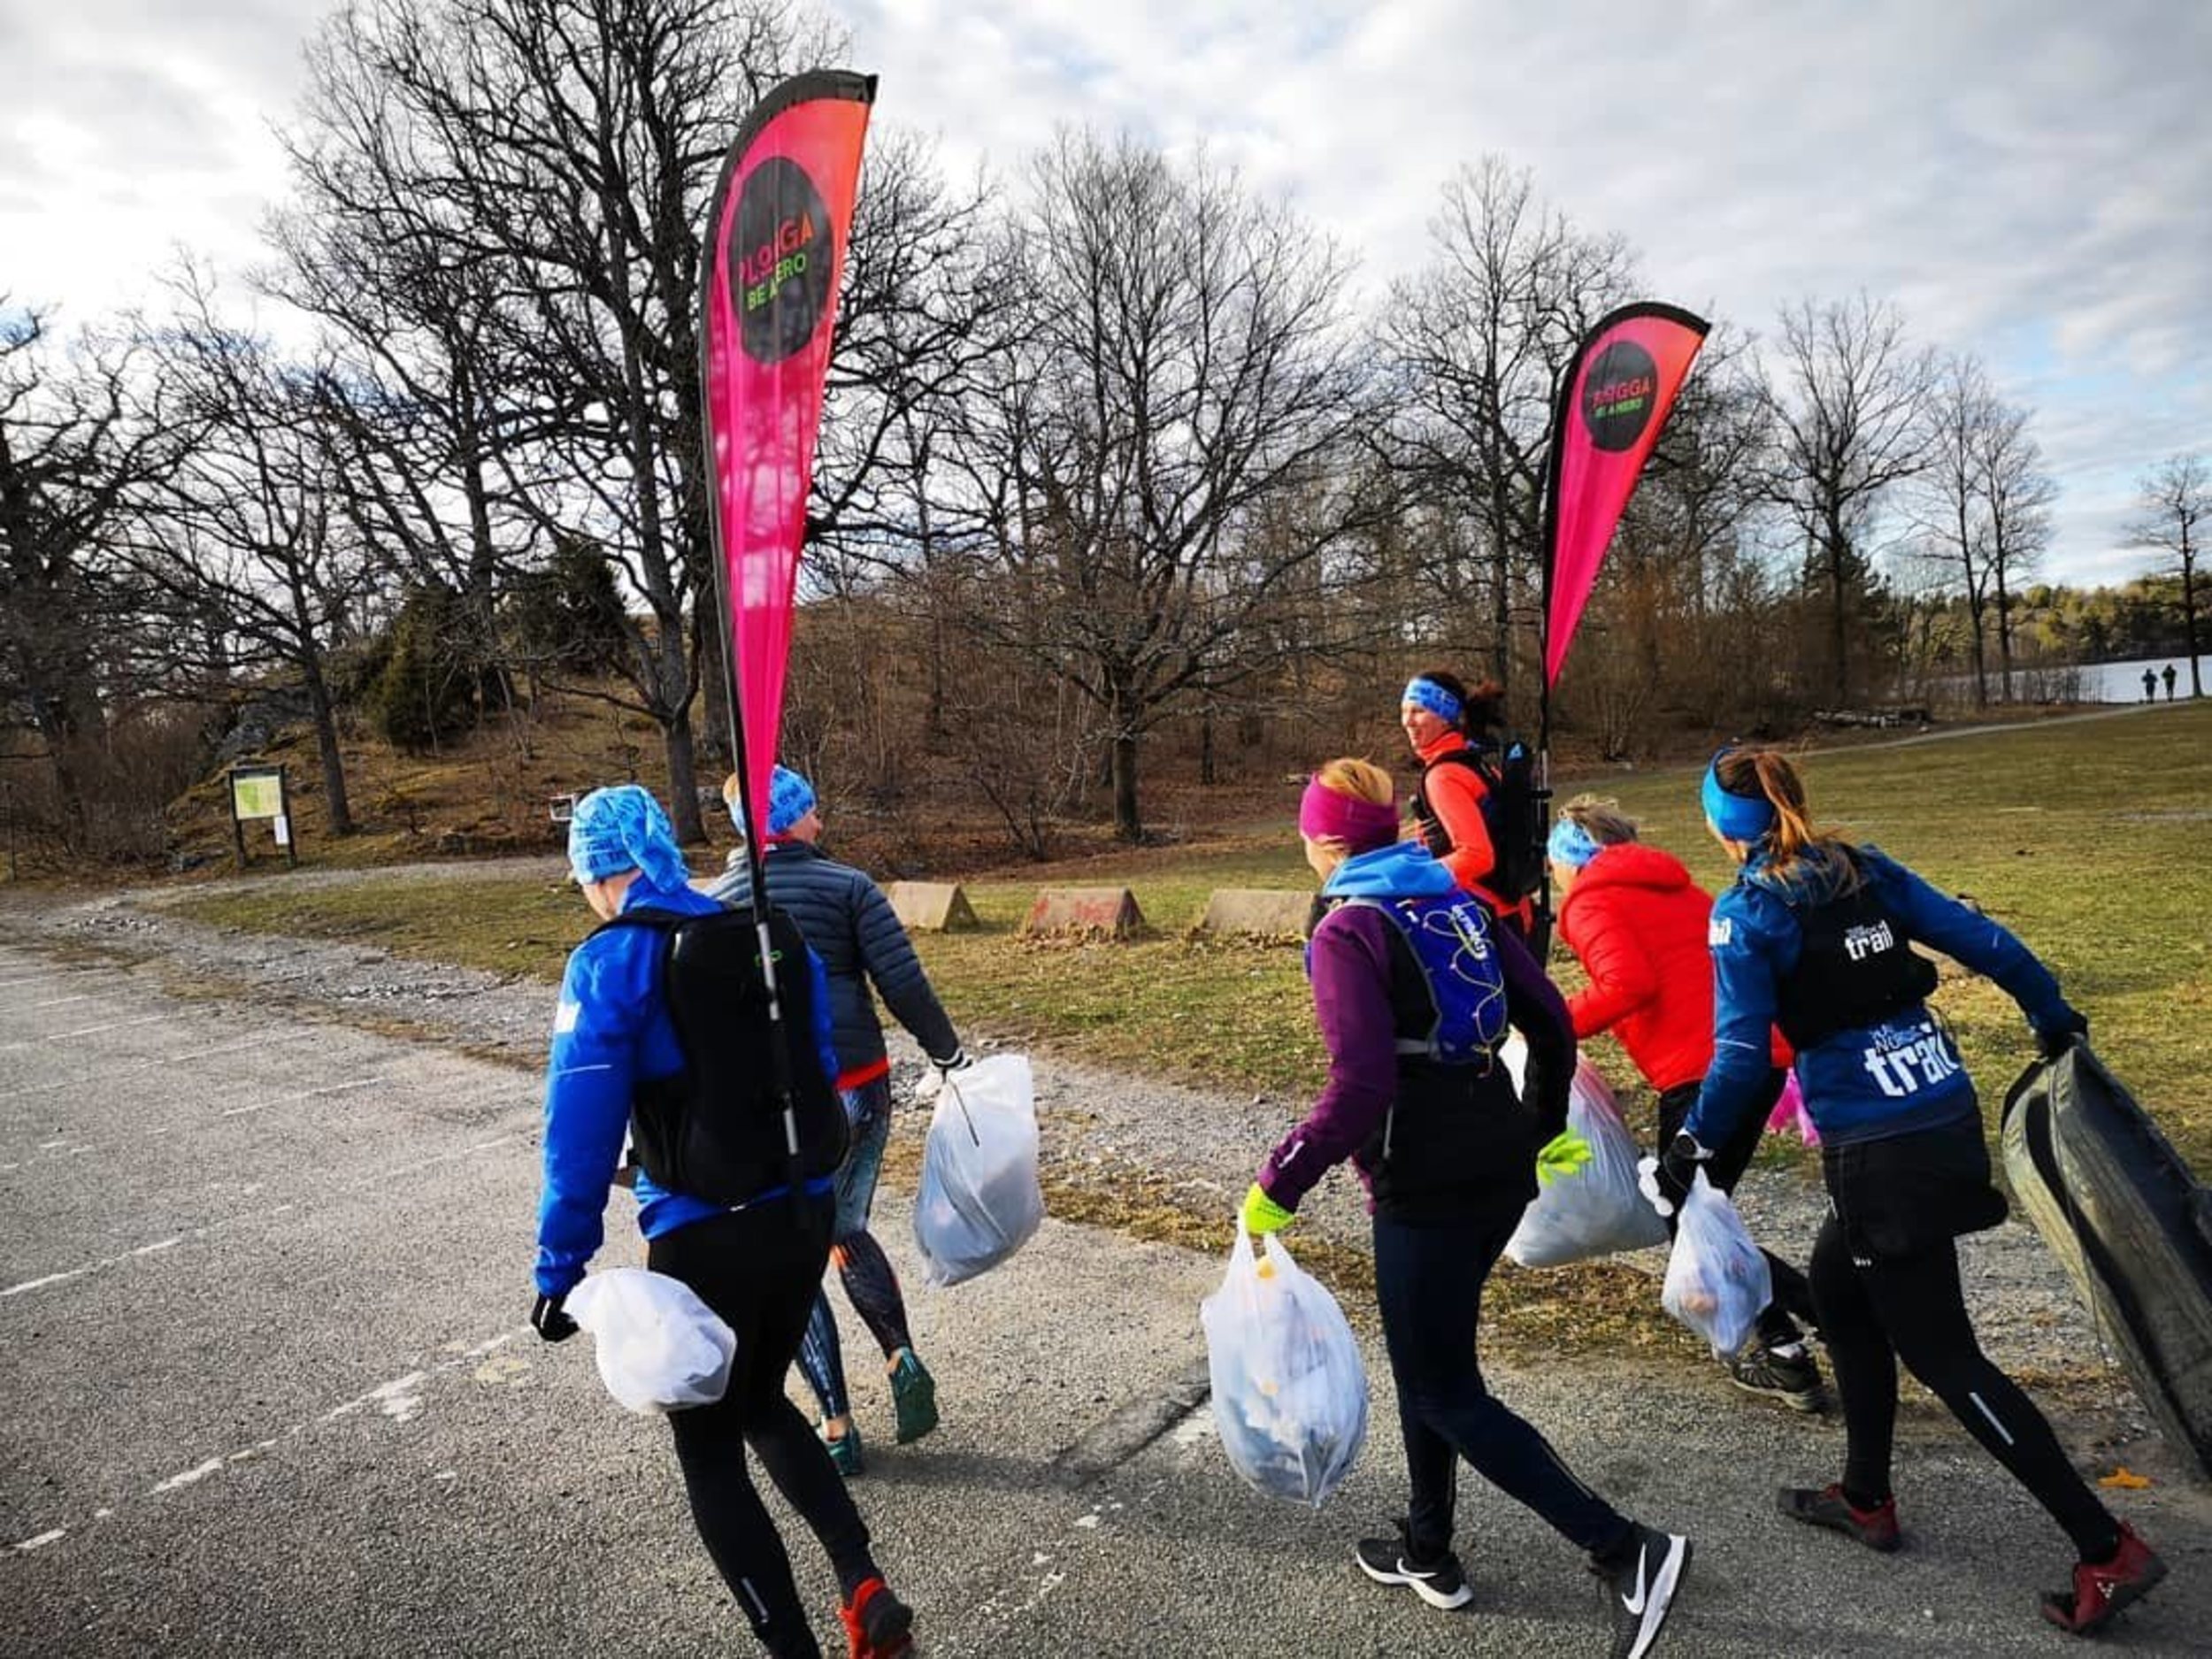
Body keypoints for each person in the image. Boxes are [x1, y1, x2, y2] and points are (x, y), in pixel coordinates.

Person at [1652, 748, 2165, 1637]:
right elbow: (1988, 944)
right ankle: (1865, 1496)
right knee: (1843, 1301)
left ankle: (2103, 1547)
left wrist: (1691, 1142)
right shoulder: (1865, 867)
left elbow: (1738, 1056)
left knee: (1945, 1354)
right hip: (1936, 1106)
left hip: (1877, 1149)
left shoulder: (1746, 915)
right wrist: (2050, 1016)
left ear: (1716, 828)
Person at [1243, 759, 1692, 1659]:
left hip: (1426, 1181)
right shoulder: (1450, 898)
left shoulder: (1347, 929)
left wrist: (1278, 1184)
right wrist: (1542, 1122)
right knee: (1430, 1361)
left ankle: (1623, 1548)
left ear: (1320, 841)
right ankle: (1427, 1543)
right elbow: (1552, 1022)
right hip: (1497, 1158)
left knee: (1444, 1386)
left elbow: (1362, 1085)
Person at [532, 784, 916, 1659]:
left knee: (708, 1447)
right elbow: (816, 1065)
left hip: (703, 1233)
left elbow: (578, 1131)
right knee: (760, 1400)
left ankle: (794, 1650)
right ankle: (862, 1584)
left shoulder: (612, 960)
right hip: (798, 1216)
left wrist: (559, 1271)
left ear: (596, 871)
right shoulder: (762, 932)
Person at [711, 765, 964, 1476]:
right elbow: (903, 981)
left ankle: (836, 1423)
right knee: (844, 1227)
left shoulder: (719, 903)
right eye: (813, 811)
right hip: (857, 1088)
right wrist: (948, 1053)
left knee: (795, 1255)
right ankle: (899, 1352)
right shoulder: (849, 886)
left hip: (774, 1110)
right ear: (789, 820)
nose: (822, 822)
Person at [1546, 795, 1826, 1413]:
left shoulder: (1591, 900)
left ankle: (1799, 1339)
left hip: (1703, 1071)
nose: (1554, 880)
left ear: (1571, 859)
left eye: (1553, 866)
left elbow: (1629, 983)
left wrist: (1551, 1023)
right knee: (1696, 1207)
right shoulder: (1679, 888)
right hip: (1757, 1057)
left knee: (1685, 1206)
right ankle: (1800, 1336)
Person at [1400, 671, 1535, 938]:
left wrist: (1414, 880)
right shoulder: (1476, 762)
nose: (1407, 722)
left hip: (1481, 918)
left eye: (1418, 711)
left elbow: (1476, 855)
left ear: (1445, 715)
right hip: (1513, 909)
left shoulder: (1444, 775)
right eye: (1404, 711)